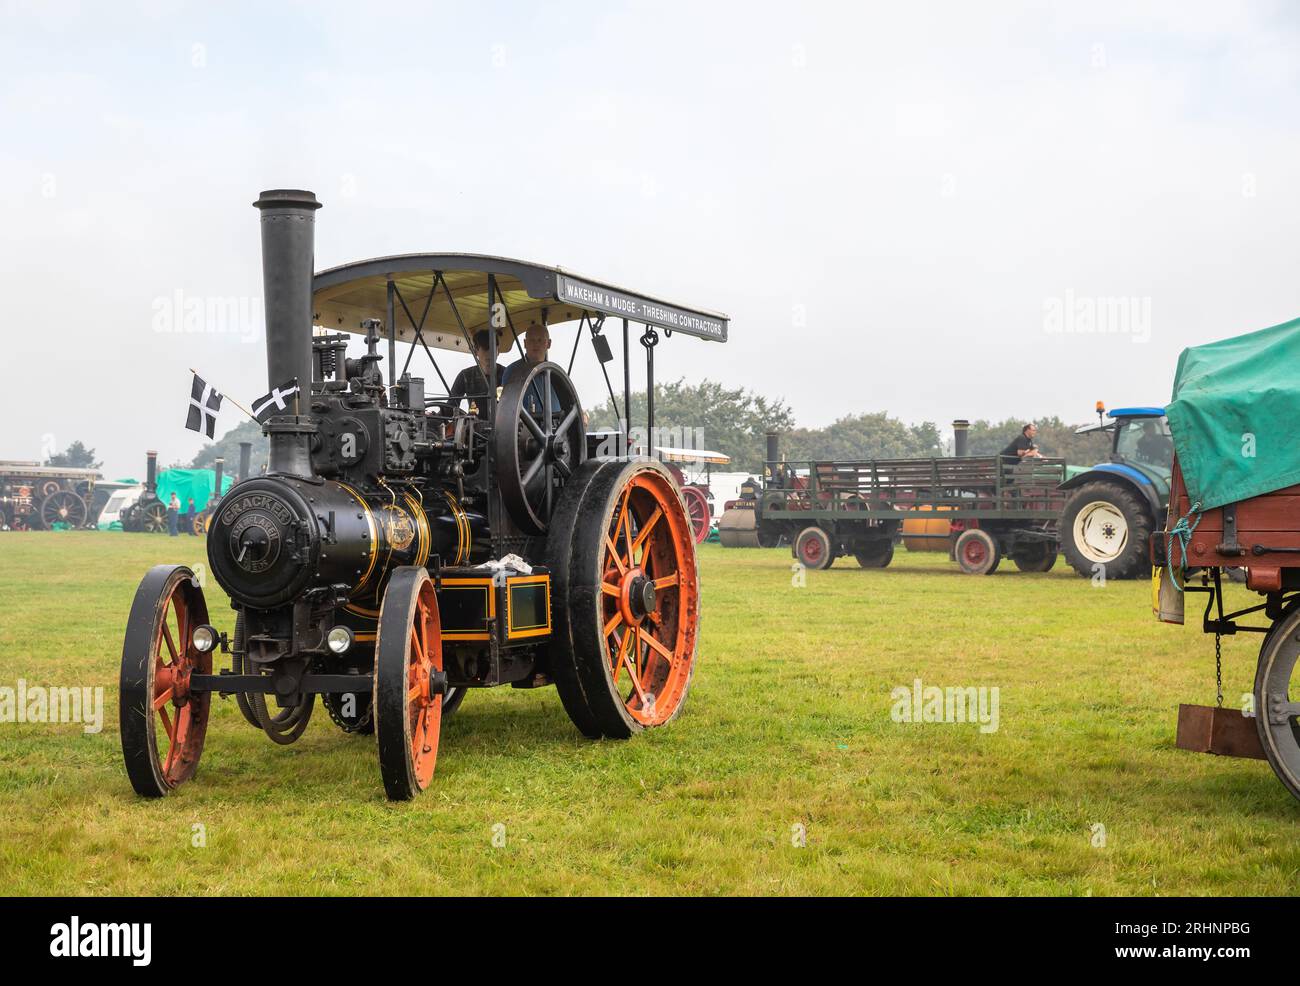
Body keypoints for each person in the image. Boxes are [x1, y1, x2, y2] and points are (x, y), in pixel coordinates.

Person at [501, 323, 562, 417]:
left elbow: (568, 402)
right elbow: (507, 410)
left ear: (549, 344)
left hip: (558, 428)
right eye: (531, 340)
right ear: (525, 343)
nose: (536, 344)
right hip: (524, 430)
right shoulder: (512, 371)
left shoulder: (557, 374)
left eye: (540, 340)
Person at [448, 329, 505, 418]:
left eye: (492, 348)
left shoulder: (508, 375)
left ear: (498, 351)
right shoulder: (465, 376)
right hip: (474, 429)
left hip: (504, 429)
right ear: (476, 351)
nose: (489, 353)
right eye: (485, 349)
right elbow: (450, 408)